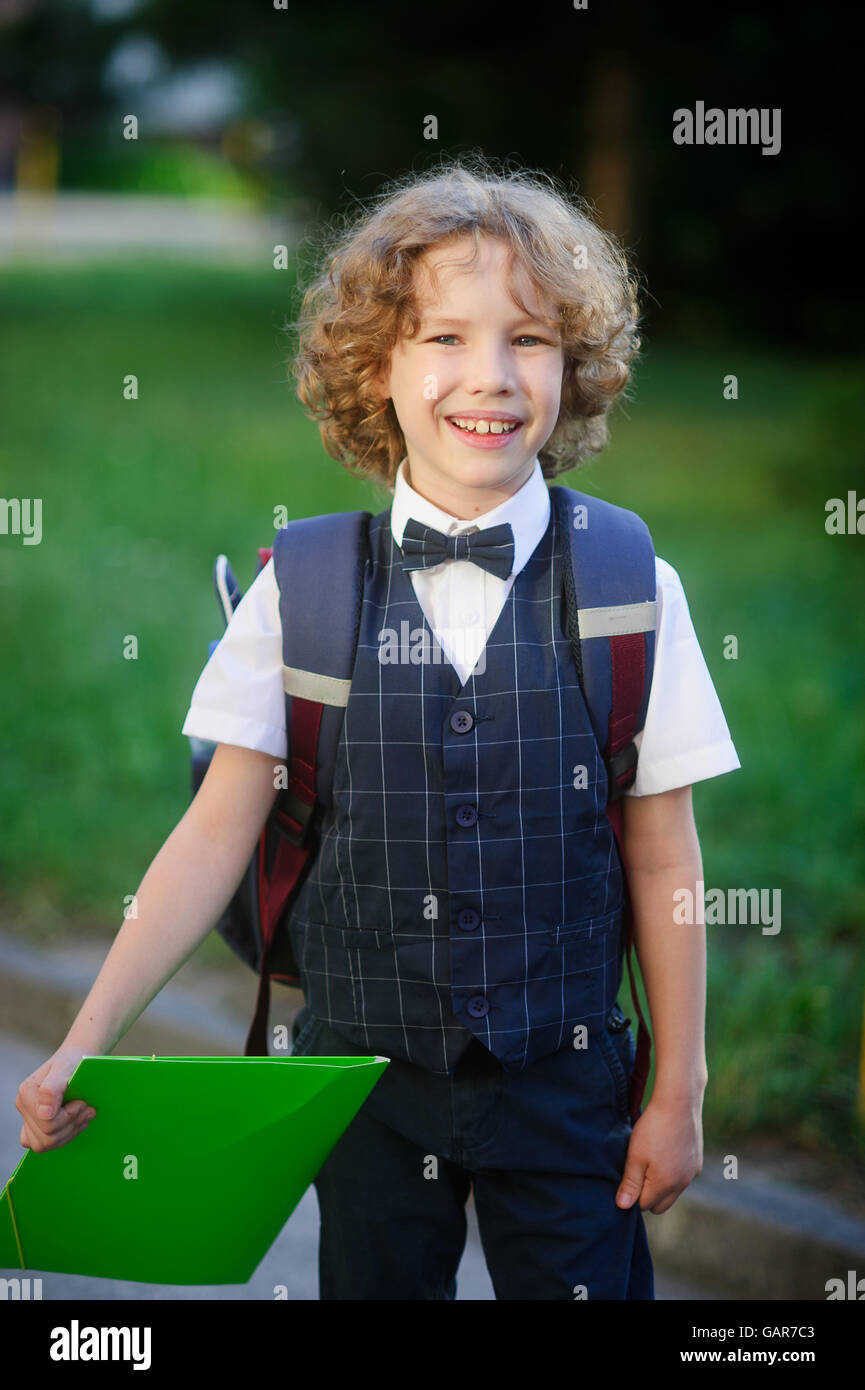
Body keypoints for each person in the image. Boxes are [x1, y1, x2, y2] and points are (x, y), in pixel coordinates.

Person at [15, 157, 740, 1300]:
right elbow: (212, 835)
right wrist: (86, 1033)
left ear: (576, 367)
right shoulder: (300, 587)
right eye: (444, 337)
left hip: (566, 1086)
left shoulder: (627, 583)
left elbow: (663, 852)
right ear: (378, 366)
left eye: (531, 340)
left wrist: (679, 1092)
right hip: (359, 1085)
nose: (489, 377)